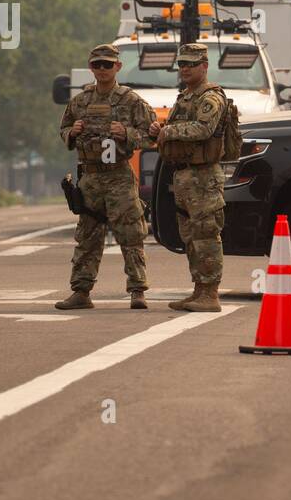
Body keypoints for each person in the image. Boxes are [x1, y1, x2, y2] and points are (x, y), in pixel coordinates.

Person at [55, 43, 157, 310]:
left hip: (119, 177)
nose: (102, 69)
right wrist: (72, 132)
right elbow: (63, 128)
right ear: (91, 67)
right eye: (97, 64)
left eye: (107, 64)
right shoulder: (80, 101)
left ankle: (137, 291)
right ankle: (81, 291)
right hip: (90, 177)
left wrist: (127, 134)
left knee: (131, 234)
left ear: (117, 67)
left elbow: (152, 135)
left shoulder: (131, 101)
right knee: (87, 236)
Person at [149, 43, 229, 312]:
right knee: (190, 236)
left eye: (191, 64)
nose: (184, 68)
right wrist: (159, 129)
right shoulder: (185, 97)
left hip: (204, 177)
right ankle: (199, 290)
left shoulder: (210, 97)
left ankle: (211, 293)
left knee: (206, 235)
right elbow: (178, 128)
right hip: (184, 176)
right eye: (181, 64)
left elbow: (204, 128)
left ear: (204, 66)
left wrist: (169, 132)